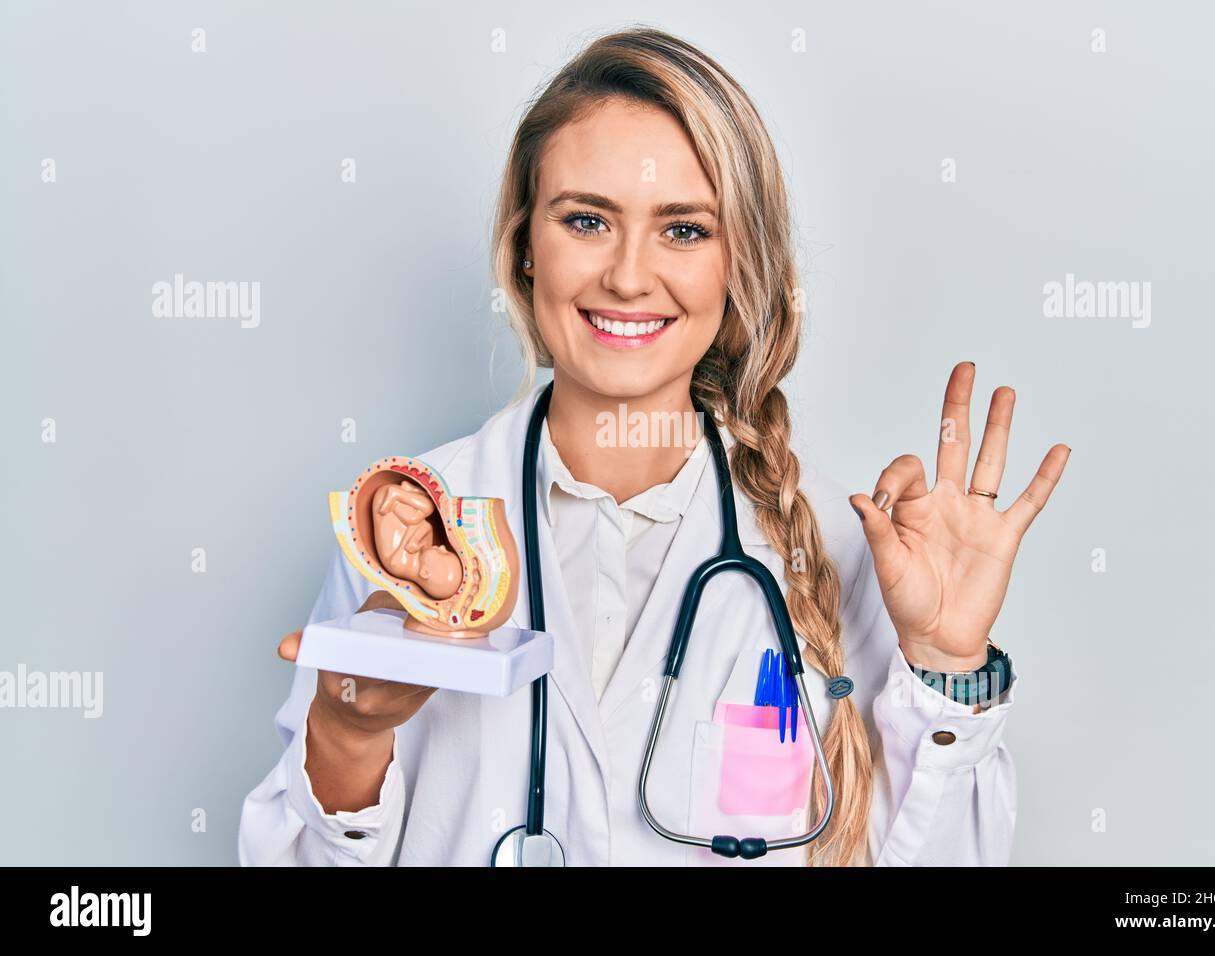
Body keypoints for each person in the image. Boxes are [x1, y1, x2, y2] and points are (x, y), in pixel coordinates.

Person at [238, 26, 1069, 867]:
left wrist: (944, 663)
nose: (629, 277)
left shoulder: (842, 548)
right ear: (526, 248)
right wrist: (344, 733)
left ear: (738, 263)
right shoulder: (414, 528)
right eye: (588, 220)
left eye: (684, 231)